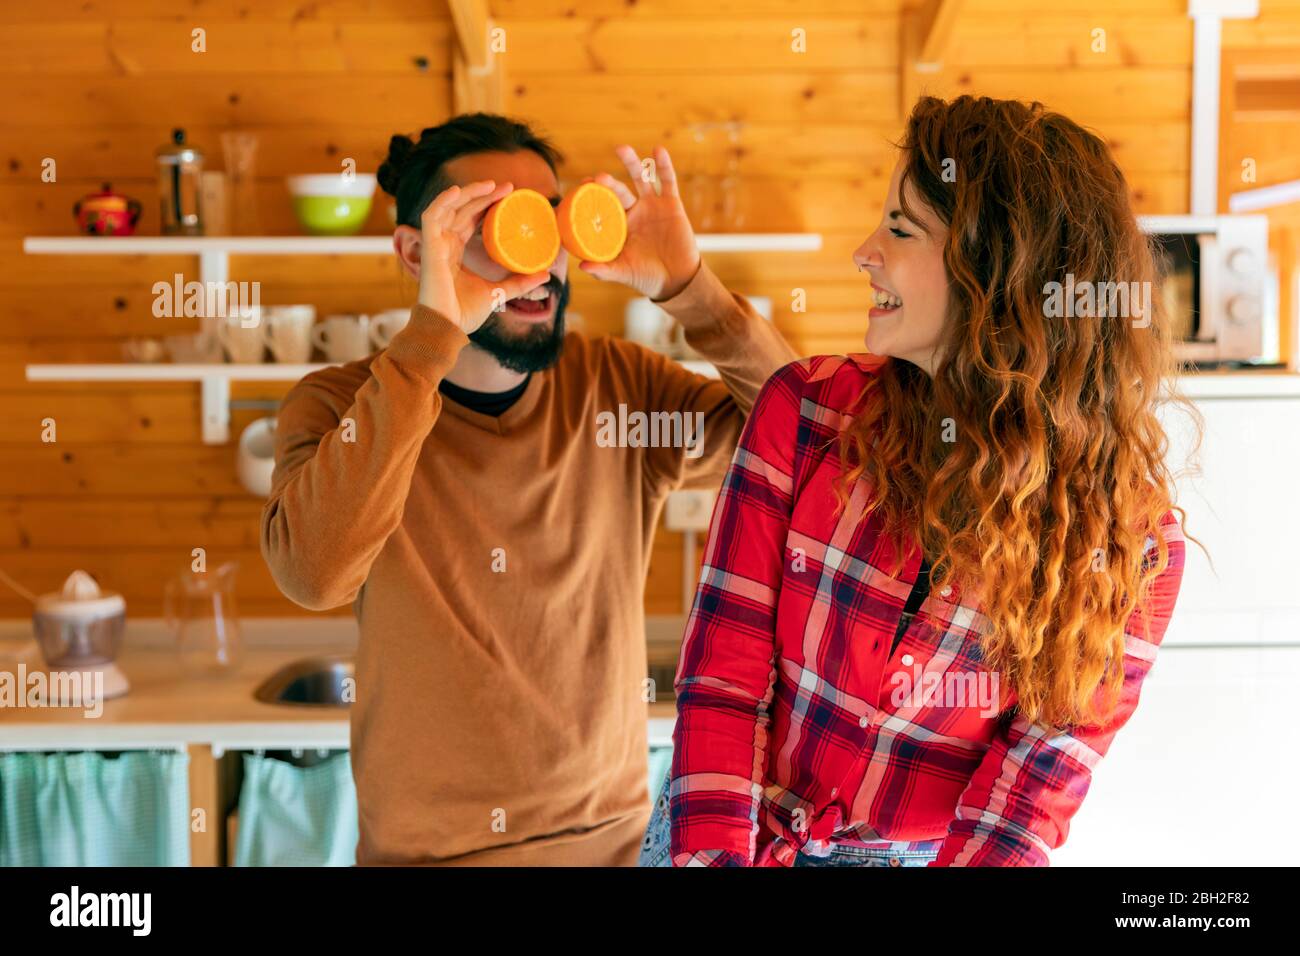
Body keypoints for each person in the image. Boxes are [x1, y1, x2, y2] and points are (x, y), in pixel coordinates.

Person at [641, 95, 1198, 867]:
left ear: (999, 268)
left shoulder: (1132, 544)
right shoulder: (806, 412)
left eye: (901, 229)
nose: (864, 251)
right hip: (728, 839)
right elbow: (723, 682)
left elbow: (1024, 804)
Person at [260, 114, 797, 865]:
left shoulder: (620, 389)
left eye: (546, 222)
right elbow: (312, 573)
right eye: (491, 223)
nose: (534, 256)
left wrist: (691, 290)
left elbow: (807, 446)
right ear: (415, 252)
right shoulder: (338, 405)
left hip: (615, 849)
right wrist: (431, 336)